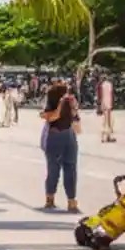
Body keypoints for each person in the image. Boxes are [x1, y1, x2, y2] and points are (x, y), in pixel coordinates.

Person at [41, 82, 80, 212]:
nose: (69, 94)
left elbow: (78, 126)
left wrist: (74, 108)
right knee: (54, 170)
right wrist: (60, 105)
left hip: (69, 136)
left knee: (71, 169)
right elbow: (49, 117)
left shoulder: (70, 102)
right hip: (54, 136)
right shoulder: (52, 100)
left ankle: (72, 201)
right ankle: (50, 198)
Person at [98, 76, 116, 143]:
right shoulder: (109, 84)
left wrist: (100, 104)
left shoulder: (101, 85)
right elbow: (111, 94)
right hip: (108, 104)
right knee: (109, 121)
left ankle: (105, 137)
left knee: (104, 121)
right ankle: (107, 136)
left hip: (103, 104)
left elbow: (100, 95)